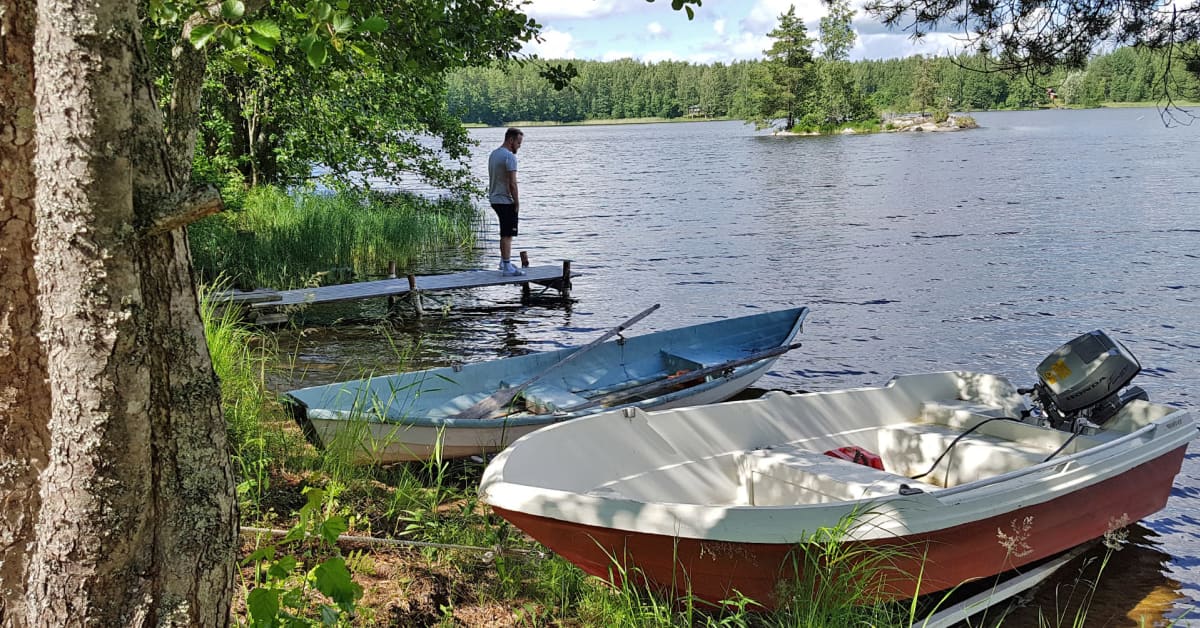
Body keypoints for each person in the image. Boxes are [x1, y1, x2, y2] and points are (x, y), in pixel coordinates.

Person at [488, 127, 526, 276]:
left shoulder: (494, 154)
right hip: (505, 200)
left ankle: (504, 262)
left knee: (504, 232)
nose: (519, 146)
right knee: (507, 234)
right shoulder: (509, 157)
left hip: (494, 198)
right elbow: (512, 183)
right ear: (511, 140)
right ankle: (507, 267)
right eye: (518, 142)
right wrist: (516, 202)